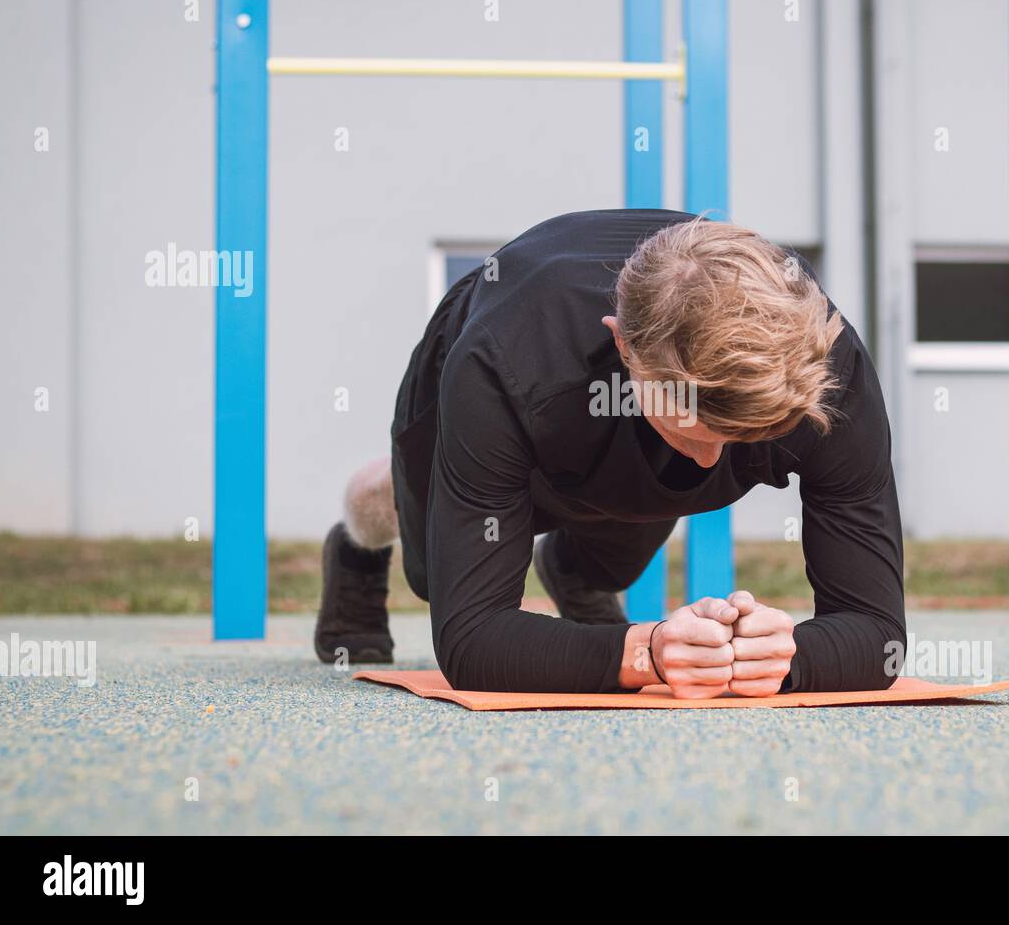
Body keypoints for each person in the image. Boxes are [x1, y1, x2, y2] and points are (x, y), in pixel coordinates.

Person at [314, 209, 905, 698]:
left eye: (741, 435)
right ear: (623, 341)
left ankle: (575, 568)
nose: (708, 465)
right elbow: (471, 639)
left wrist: (784, 658)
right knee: (428, 575)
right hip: (518, 358)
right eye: (691, 429)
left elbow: (880, 638)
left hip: (619, 403)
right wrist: (645, 653)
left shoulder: (824, 369)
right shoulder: (504, 360)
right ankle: (360, 544)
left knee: (628, 528)